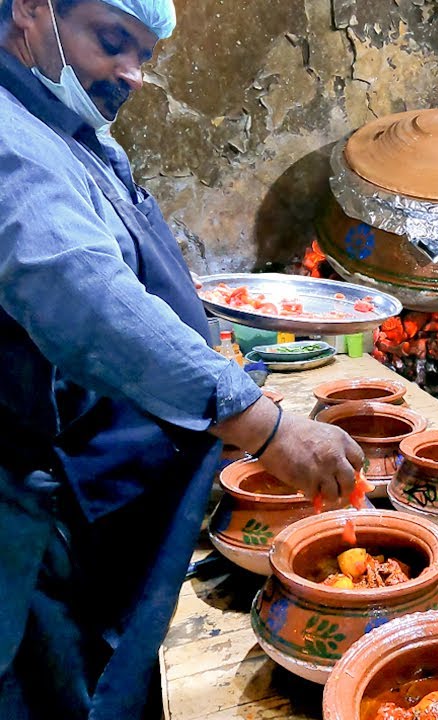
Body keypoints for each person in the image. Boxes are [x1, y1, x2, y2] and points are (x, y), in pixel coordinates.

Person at [0, 0, 366, 717]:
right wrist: (267, 427)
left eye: (144, 55)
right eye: (113, 43)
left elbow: (126, 258)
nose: (131, 75)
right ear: (30, 11)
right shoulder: (9, 140)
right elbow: (89, 298)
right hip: (55, 490)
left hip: (110, 467)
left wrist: (205, 340)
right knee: (65, 681)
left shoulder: (64, 121)